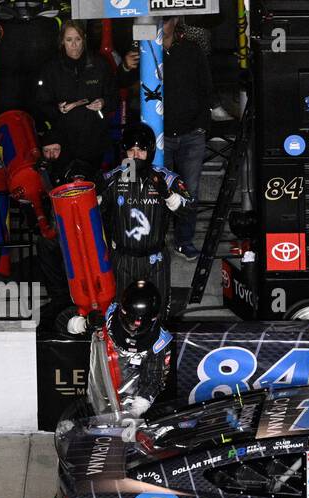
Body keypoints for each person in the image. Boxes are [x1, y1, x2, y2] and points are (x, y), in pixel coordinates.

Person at [98, 122, 192, 313]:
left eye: (141, 150)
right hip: (123, 259)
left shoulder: (166, 178)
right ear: (125, 152)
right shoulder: (112, 178)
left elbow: (188, 208)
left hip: (155, 259)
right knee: (120, 310)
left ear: (150, 151)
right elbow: (92, 211)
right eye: (131, 150)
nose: (136, 155)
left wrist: (167, 195)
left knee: (158, 311)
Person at [34, 20, 137, 184]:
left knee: (93, 190)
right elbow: (41, 104)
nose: (74, 45)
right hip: (63, 143)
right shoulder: (51, 69)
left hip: (93, 142)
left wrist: (103, 103)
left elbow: (114, 98)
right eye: (69, 40)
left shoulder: (100, 64)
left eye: (78, 39)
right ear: (62, 41)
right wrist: (57, 108)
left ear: (84, 39)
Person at [161, 16, 216, 261]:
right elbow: (122, 86)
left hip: (191, 135)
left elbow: (206, 88)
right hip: (159, 135)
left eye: (165, 19)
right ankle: (155, 241)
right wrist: (127, 68)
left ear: (175, 21)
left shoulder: (192, 50)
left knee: (188, 192)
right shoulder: (142, 52)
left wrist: (202, 126)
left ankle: (184, 241)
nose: (160, 25)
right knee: (156, 192)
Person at [84, 280, 174, 418]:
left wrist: (136, 411)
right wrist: (84, 323)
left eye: (138, 323)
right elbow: (66, 324)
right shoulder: (105, 314)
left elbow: (154, 378)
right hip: (98, 396)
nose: (133, 326)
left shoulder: (160, 341)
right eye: (131, 321)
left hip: (133, 406)